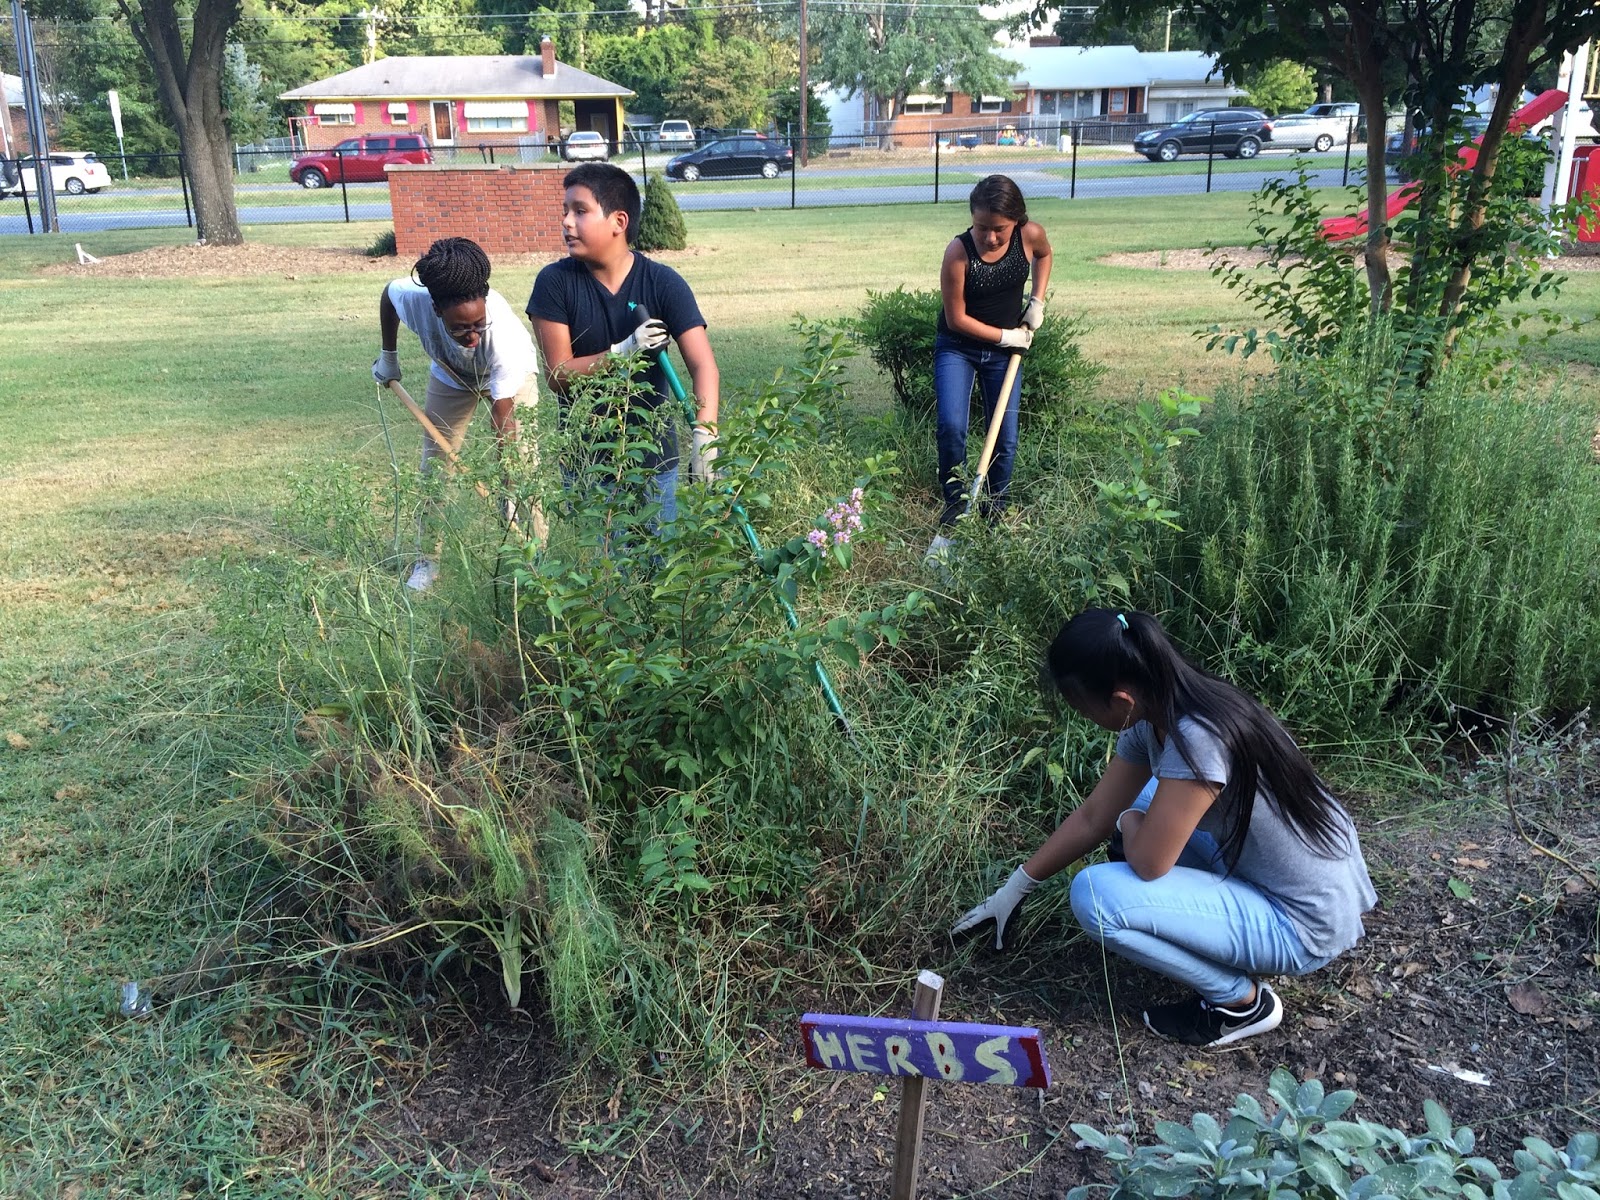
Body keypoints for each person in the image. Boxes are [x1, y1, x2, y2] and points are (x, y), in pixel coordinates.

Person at [951, 608, 1377, 1048]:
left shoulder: (1197, 738)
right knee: (1134, 803)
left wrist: (1130, 824)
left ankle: (1240, 1003)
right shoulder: (1167, 707)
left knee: (1095, 895)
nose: (1082, 717)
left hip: (1304, 922)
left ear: (1121, 700)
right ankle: (1217, 934)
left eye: (1083, 707)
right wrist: (1014, 889)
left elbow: (1150, 862)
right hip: (1305, 878)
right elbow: (1094, 815)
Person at [526, 162, 719, 524]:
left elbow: (703, 364)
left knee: (658, 567)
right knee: (598, 573)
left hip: (654, 461)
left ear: (619, 222)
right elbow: (558, 374)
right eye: (565, 211)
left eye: (580, 211)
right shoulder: (554, 283)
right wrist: (623, 351)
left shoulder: (663, 282)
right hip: (586, 463)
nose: (566, 221)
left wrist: (704, 433)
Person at [372, 237, 541, 592]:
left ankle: (539, 556)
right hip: (451, 375)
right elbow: (388, 295)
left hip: (509, 379)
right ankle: (427, 564)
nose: (472, 335)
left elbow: (503, 418)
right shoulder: (414, 300)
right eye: (460, 328)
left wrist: (506, 485)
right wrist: (389, 356)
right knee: (434, 469)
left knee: (524, 467)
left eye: (478, 324)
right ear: (436, 309)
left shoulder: (503, 340)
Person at [924, 175, 1052, 568]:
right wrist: (1005, 337)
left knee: (1006, 440)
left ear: (1015, 222)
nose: (991, 238)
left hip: (1005, 353)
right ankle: (955, 511)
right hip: (958, 349)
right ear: (972, 220)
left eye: (1000, 229)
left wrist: (1037, 300)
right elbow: (956, 318)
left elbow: (1044, 256)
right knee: (951, 427)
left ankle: (995, 515)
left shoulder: (1029, 235)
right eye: (983, 228)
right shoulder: (958, 254)